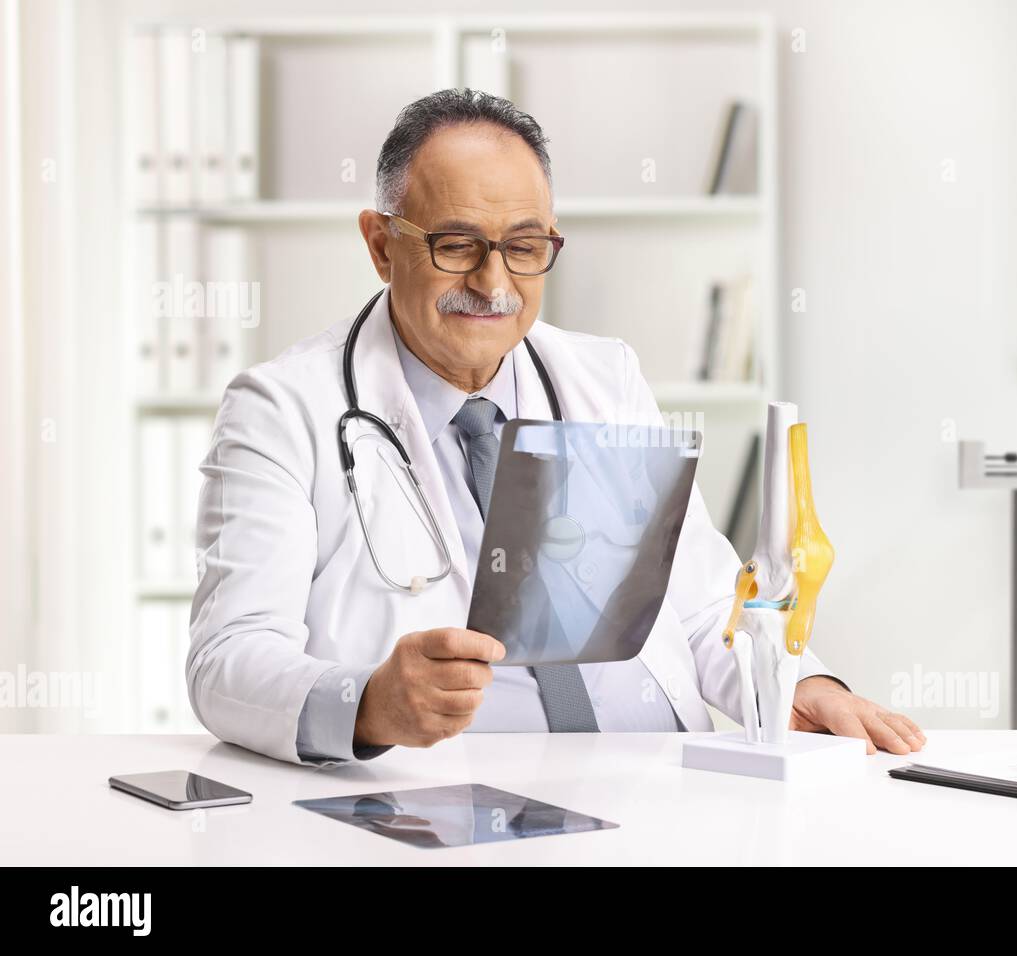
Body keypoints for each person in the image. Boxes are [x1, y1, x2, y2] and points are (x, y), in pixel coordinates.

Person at [187, 89, 925, 765]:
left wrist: (802, 686)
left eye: (524, 246)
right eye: (456, 245)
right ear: (382, 245)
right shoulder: (282, 411)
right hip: (450, 799)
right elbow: (228, 659)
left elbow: (701, 600)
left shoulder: (606, 378)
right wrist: (368, 705)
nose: (494, 283)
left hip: (660, 786)